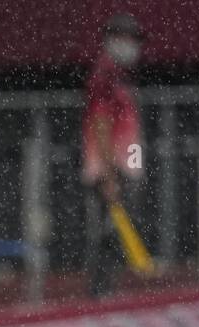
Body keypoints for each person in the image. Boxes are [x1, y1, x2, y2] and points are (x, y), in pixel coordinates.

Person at [82, 13, 145, 298]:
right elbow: (100, 124)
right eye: (125, 39)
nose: (131, 46)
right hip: (109, 168)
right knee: (109, 230)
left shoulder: (119, 76)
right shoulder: (104, 76)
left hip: (120, 166)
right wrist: (109, 175)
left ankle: (106, 288)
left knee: (116, 229)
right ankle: (100, 291)